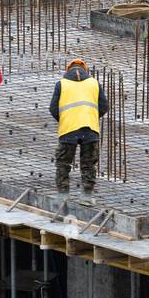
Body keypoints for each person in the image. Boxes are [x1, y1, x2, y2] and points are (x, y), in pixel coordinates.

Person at [50, 58, 108, 195]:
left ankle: (63, 195)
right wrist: (91, 116)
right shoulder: (94, 83)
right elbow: (104, 106)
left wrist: (65, 119)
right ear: (85, 70)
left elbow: (53, 108)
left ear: (68, 70)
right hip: (90, 129)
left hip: (68, 129)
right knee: (88, 165)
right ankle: (87, 196)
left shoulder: (61, 84)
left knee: (63, 164)